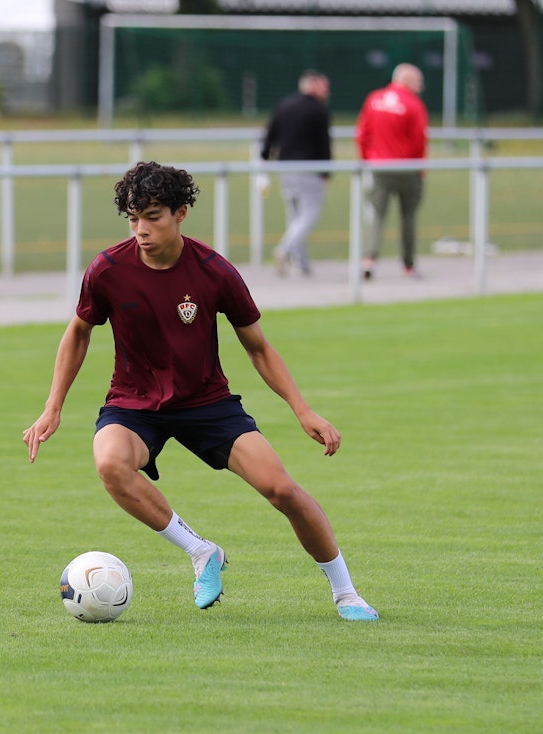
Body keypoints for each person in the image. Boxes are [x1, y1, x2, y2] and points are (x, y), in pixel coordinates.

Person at [22, 161, 378, 622]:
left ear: (181, 213)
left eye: (153, 217)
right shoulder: (107, 270)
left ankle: (346, 593)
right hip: (134, 404)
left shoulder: (214, 271)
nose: (141, 230)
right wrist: (53, 407)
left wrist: (302, 410)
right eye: (133, 219)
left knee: (282, 490)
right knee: (110, 463)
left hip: (207, 403)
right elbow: (78, 332)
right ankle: (201, 551)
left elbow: (258, 348)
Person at [355, 62, 429, 280]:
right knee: (408, 218)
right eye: (418, 81)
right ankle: (408, 265)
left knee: (377, 215)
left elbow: (361, 133)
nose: (421, 86)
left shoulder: (374, 99)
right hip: (407, 169)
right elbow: (419, 140)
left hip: (379, 168)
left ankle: (369, 259)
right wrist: (419, 166)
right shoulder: (414, 104)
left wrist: (367, 160)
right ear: (406, 80)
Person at [259, 70, 332, 277]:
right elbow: (324, 143)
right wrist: (326, 171)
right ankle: (285, 249)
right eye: (324, 86)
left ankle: (301, 261)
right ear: (313, 85)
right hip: (309, 169)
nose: (327, 91)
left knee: (295, 215)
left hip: (285, 167)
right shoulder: (318, 110)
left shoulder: (285, 105)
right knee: (308, 215)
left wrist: (265, 156)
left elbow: (270, 134)